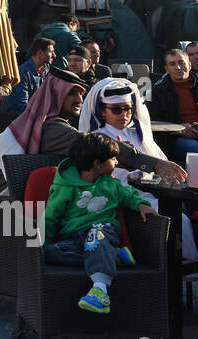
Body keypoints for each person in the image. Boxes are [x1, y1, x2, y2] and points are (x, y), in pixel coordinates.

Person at [44, 132, 157, 314]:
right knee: (47, 253)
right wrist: (42, 243)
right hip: (73, 238)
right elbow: (50, 217)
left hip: (103, 230)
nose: (117, 163)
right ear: (97, 164)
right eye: (113, 158)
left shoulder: (110, 184)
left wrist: (141, 204)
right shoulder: (65, 187)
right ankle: (111, 257)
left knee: (96, 235)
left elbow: (128, 195)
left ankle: (100, 292)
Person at [6, 37, 56, 115]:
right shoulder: (22, 72)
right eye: (51, 52)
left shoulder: (46, 69)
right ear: (39, 53)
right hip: (18, 118)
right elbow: (22, 104)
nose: (54, 55)